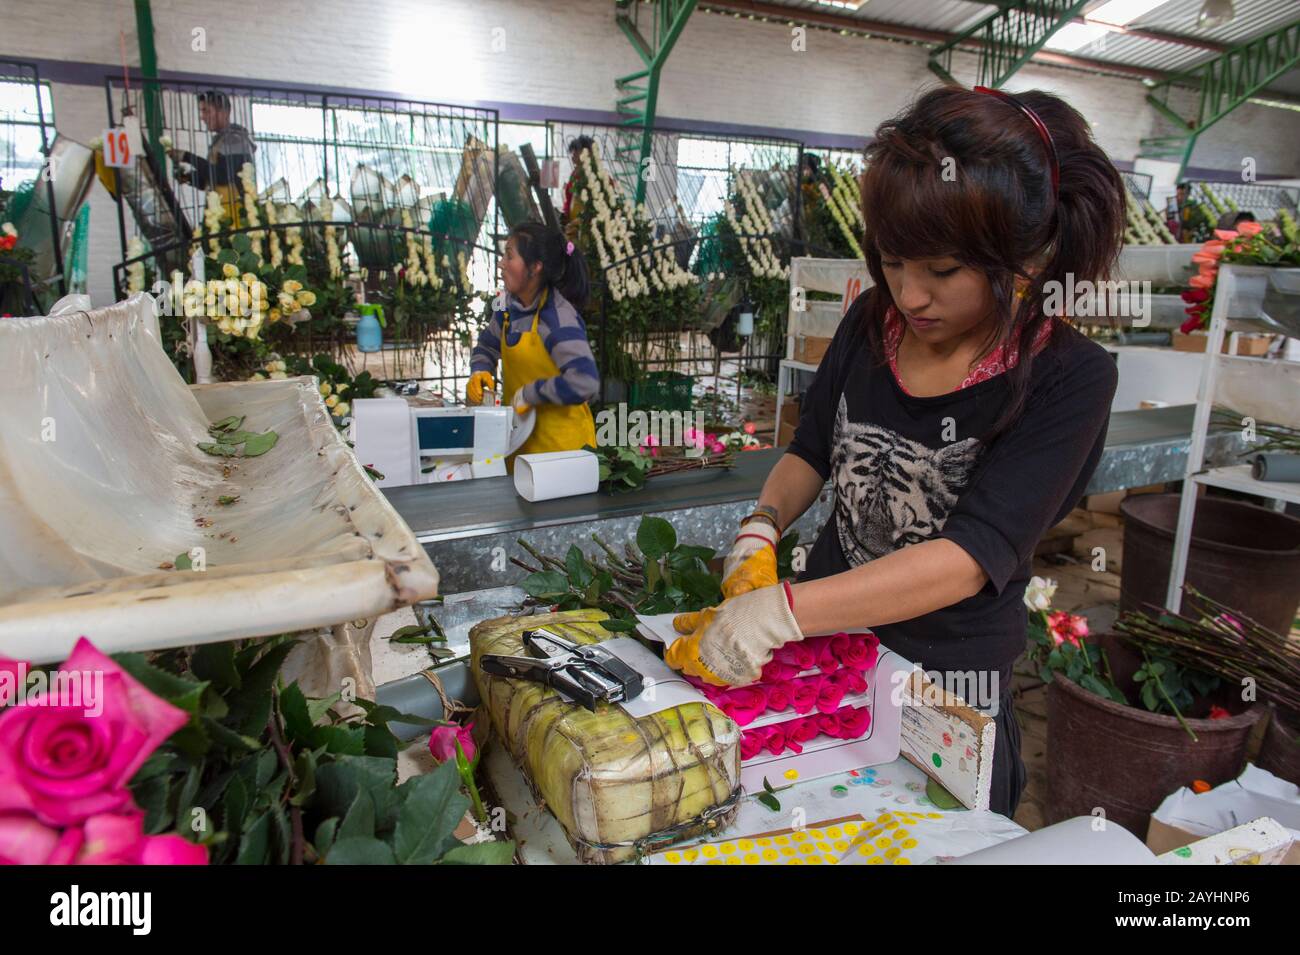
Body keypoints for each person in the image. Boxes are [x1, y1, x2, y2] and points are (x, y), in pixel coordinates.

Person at [664, 86, 1124, 819]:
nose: (911, 294)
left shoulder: (1069, 378)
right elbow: (812, 449)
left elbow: (969, 555)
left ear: (1020, 261)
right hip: (825, 652)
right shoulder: (870, 322)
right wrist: (762, 526)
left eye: (942, 272)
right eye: (894, 260)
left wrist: (782, 610)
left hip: (944, 689)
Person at [466, 222, 599, 462]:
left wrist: (531, 394)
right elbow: (486, 346)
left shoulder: (556, 318)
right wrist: (479, 370)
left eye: (509, 256)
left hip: (561, 455)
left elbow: (584, 381)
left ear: (535, 267)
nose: (501, 264)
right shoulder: (507, 308)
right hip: (519, 447)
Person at [167, 90, 256, 222]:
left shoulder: (234, 139)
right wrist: (188, 177)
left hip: (235, 217)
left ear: (223, 112)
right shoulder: (221, 140)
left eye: (206, 111)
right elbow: (211, 180)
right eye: (201, 111)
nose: (202, 117)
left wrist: (187, 157)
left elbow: (223, 176)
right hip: (221, 215)